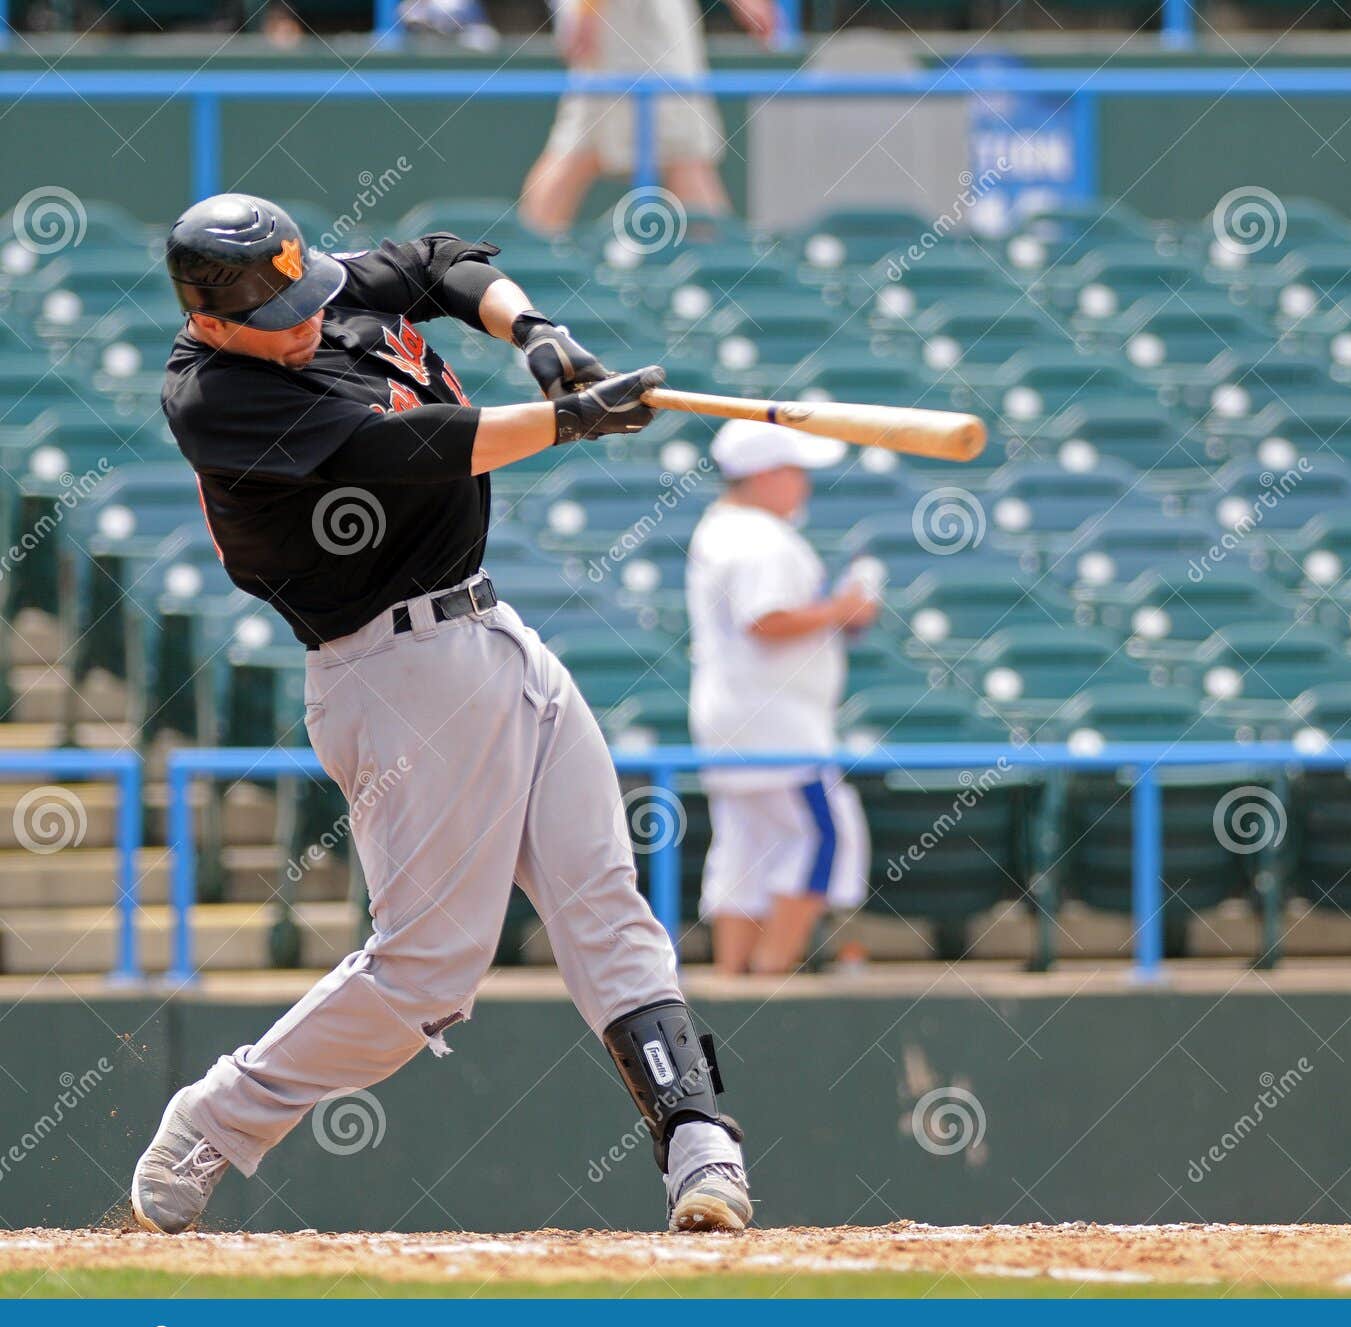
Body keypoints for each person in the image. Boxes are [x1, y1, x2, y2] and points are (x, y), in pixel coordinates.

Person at [133, 193, 751, 1235]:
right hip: (393, 668)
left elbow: (438, 261)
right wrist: (571, 421)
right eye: (274, 310)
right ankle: (216, 1120)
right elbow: (401, 452)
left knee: (603, 898)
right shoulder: (212, 393)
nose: (304, 318)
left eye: (304, 295)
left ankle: (698, 1142)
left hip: (492, 630)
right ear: (210, 314)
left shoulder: (314, 295)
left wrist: (539, 334)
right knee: (428, 973)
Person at [685, 420, 878, 975]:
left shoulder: (723, 528)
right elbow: (764, 620)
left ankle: (733, 982)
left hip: (737, 712)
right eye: (795, 472)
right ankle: (771, 975)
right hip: (772, 719)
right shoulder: (758, 537)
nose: (803, 485)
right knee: (825, 836)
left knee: (746, 847)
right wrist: (844, 608)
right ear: (766, 474)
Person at [520, 0, 776, 234]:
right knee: (682, 153)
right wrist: (588, 9)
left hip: (635, 16)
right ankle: (723, 267)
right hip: (627, 17)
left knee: (588, 143)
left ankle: (523, 259)